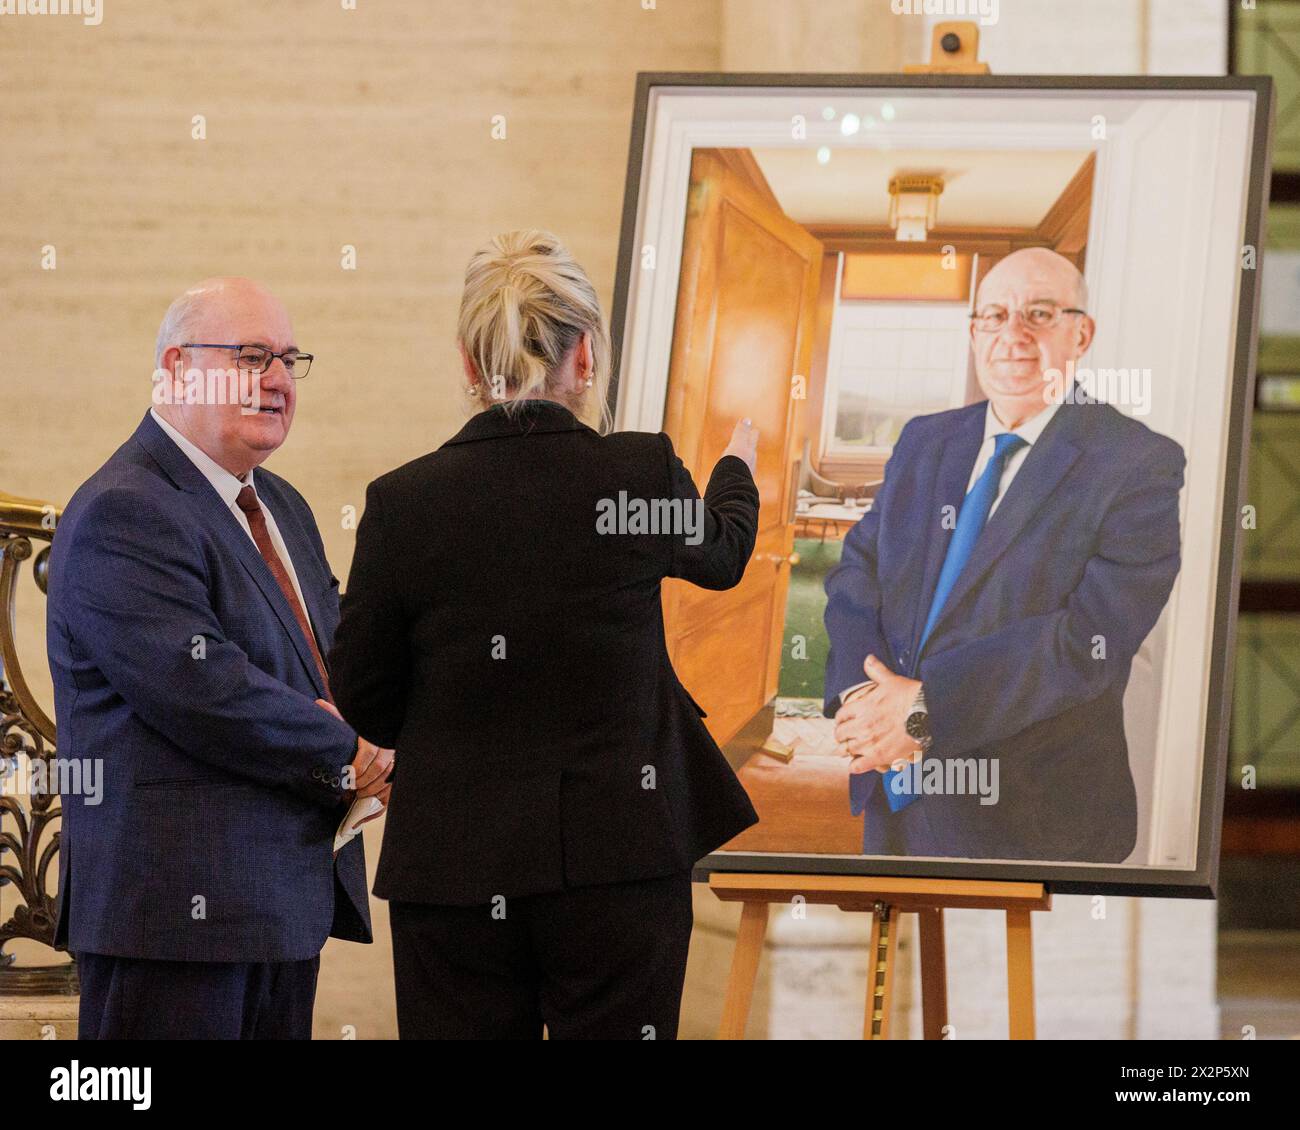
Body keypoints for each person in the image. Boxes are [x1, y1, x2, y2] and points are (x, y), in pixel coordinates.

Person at [328, 230, 760, 1039]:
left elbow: (367, 703)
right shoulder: (635, 475)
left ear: (467, 364)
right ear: (586, 357)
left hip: (451, 876)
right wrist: (736, 468)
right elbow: (725, 555)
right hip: (618, 866)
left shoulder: (402, 503)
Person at [46, 278, 389, 1040]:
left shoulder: (283, 506)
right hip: (172, 923)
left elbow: (332, 664)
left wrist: (389, 733)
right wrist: (353, 753)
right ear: (176, 366)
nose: (275, 379)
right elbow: (206, 690)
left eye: (287, 359)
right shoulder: (124, 508)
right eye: (251, 356)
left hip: (281, 908)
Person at [823, 247, 1184, 864]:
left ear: (1082, 332)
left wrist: (923, 709)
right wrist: (863, 698)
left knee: (1000, 966)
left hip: (1028, 816)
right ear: (973, 333)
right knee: (897, 956)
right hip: (893, 787)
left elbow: (1088, 640)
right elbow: (860, 572)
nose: (1012, 335)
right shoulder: (924, 440)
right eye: (993, 316)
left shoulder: (1136, 463)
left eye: (1039, 314)